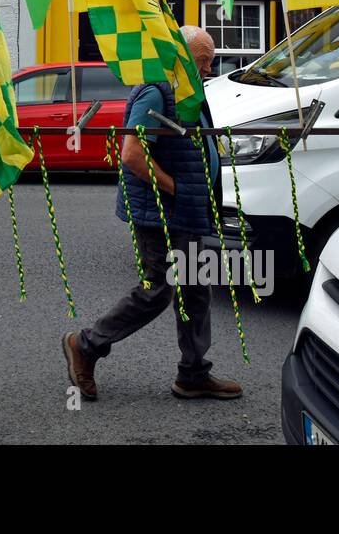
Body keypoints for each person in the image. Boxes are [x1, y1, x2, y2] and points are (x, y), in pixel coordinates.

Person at [62, 26, 243, 402]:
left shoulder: (188, 90)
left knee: (195, 289)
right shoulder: (156, 90)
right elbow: (132, 153)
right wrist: (176, 188)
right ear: (177, 55)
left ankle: (193, 374)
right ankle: (86, 344)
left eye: (211, 60)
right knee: (156, 290)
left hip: (190, 209)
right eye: (202, 60)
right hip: (161, 210)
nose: (208, 69)